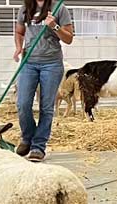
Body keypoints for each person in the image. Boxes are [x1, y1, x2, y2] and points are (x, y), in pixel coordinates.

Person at [14, 0, 74, 163]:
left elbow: (69, 39)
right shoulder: (25, 8)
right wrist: (19, 48)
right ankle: (27, 138)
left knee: (46, 106)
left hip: (51, 64)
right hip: (29, 62)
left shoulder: (59, 8)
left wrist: (54, 26)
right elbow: (19, 32)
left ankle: (38, 146)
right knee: (22, 104)